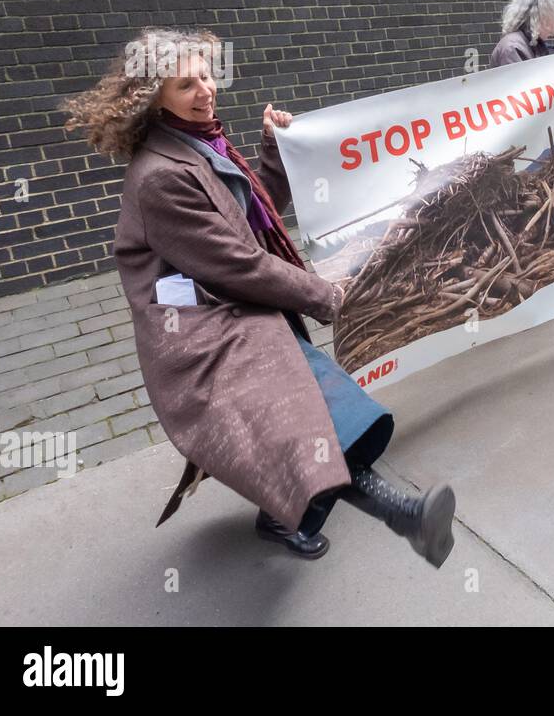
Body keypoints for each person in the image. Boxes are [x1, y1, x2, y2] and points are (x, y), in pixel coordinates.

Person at [62, 28, 457, 565]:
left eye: (205, 75)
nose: (204, 90)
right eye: (185, 85)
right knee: (311, 418)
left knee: (323, 418)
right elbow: (238, 262)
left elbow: (255, 214)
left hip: (241, 309)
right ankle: (405, 516)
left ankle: (288, 517)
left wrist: (272, 148)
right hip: (206, 335)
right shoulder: (160, 178)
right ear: (154, 102)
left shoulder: (203, 145)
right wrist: (328, 294)